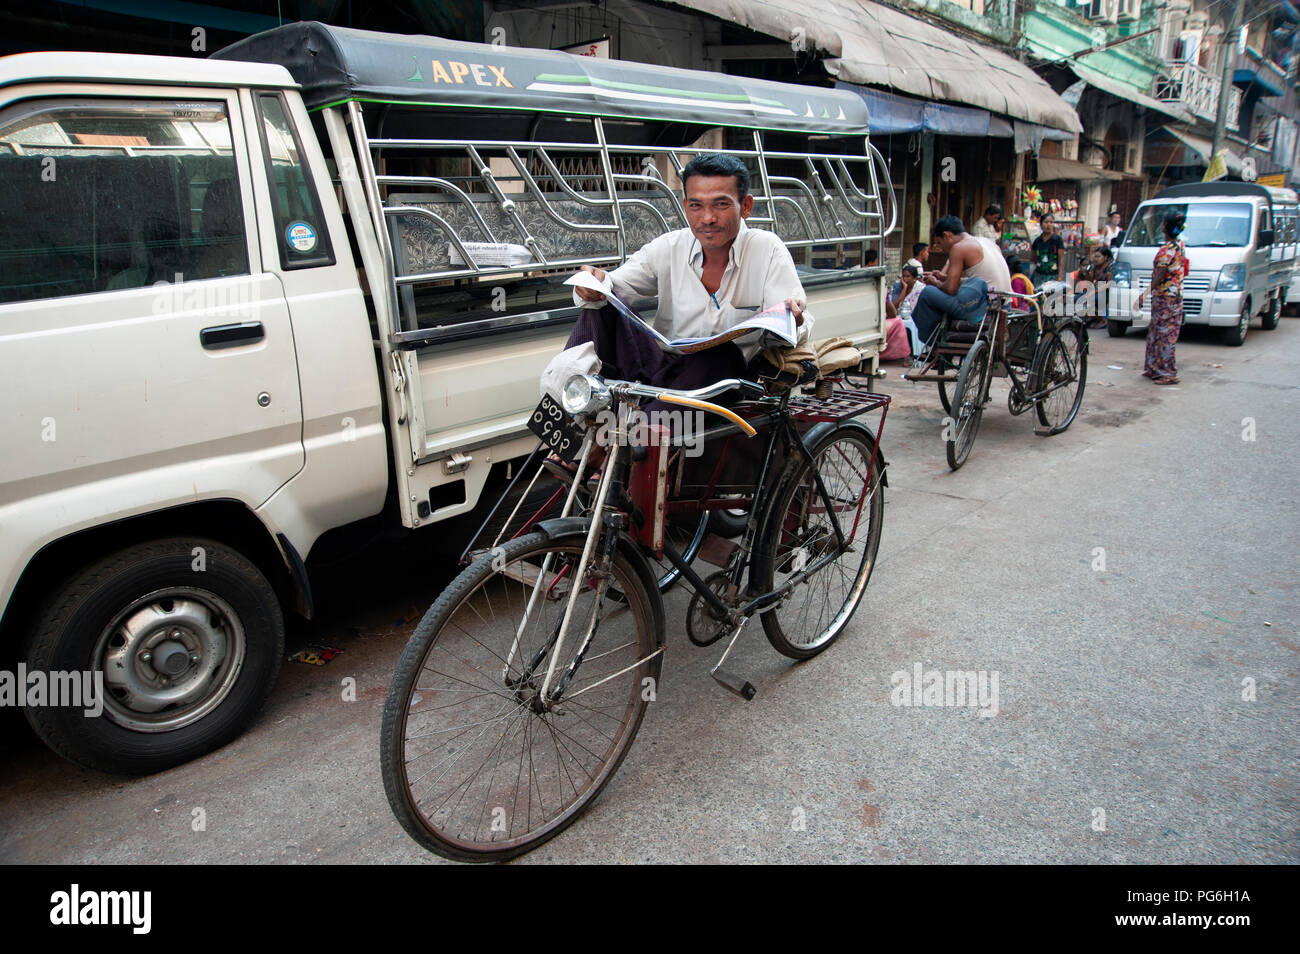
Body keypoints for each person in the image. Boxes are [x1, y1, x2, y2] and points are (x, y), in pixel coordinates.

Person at [910, 215, 1012, 348]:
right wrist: (944, 278)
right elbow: (979, 280)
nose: (942, 248)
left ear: (947, 235)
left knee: (927, 293)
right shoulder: (987, 242)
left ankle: (934, 344)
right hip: (1004, 304)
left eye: (940, 242)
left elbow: (951, 289)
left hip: (984, 308)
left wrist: (935, 283)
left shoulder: (959, 248)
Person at [1134, 211, 1187, 385]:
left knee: (1165, 335)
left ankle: (1168, 372)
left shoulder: (1167, 251)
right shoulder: (1179, 246)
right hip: (1170, 296)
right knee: (1157, 332)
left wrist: (1144, 294)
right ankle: (1154, 368)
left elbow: (1160, 275)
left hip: (1166, 297)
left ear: (1164, 226)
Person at [1074, 245, 1113, 329]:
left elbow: (1110, 284)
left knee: (1090, 299)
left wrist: (1094, 291)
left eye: (1098, 256)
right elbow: (1090, 282)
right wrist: (1087, 274)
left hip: (1105, 293)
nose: (1095, 259)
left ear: (1105, 257)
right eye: (1094, 256)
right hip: (1093, 291)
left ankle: (1102, 320)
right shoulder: (1094, 268)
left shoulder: (1110, 267)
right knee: (1075, 298)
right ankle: (1085, 319)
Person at [1031, 213, 1065, 284]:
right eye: (1046, 222)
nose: (1048, 225)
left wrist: (1060, 277)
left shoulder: (1058, 240)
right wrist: (1040, 264)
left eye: (1051, 222)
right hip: (1039, 276)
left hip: (1053, 276)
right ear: (1041, 224)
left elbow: (1061, 259)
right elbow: (1034, 257)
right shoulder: (1037, 241)